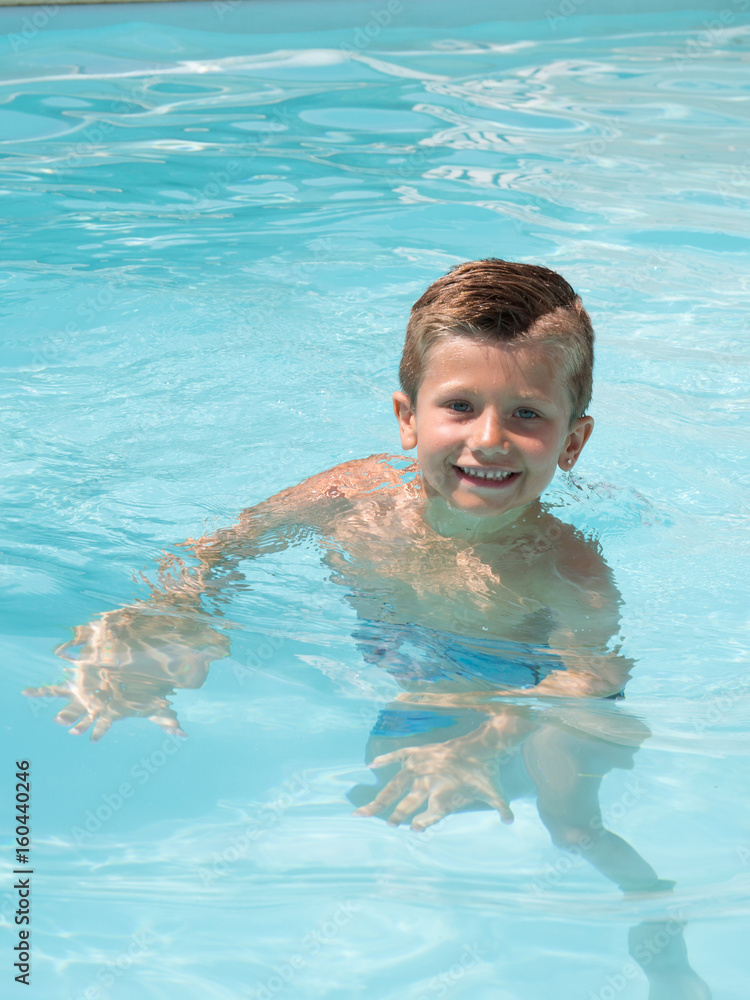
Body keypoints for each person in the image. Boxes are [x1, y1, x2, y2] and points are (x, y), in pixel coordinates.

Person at [24, 259, 710, 996]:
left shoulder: (566, 569)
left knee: (570, 820)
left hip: (520, 679)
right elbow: (221, 548)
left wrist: (495, 730)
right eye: (459, 406)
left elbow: (593, 676)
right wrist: (161, 620)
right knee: (393, 771)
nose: (490, 439)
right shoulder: (348, 497)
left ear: (573, 442)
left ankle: (660, 937)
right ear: (407, 417)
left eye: (528, 415)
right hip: (406, 658)